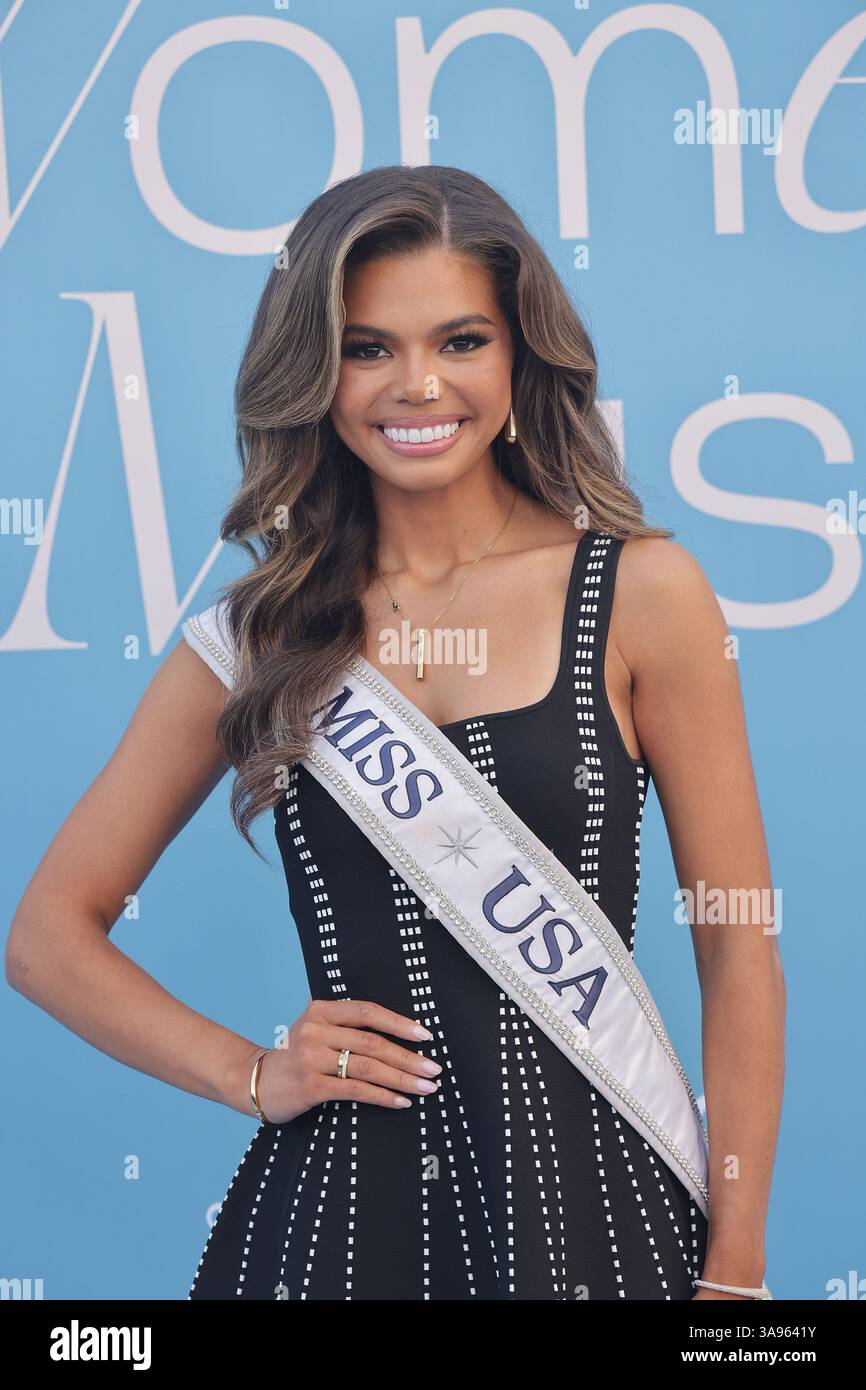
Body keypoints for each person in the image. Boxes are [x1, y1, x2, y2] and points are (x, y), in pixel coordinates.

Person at [7, 165, 784, 1301]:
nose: (416, 385)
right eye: (367, 349)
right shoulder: (258, 632)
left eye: (459, 340)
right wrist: (251, 1070)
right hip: (334, 1226)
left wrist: (736, 1275)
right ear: (315, 375)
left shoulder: (641, 594)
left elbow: (736, 948)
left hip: (596, 1217)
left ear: (518, 357)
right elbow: (44, 937)